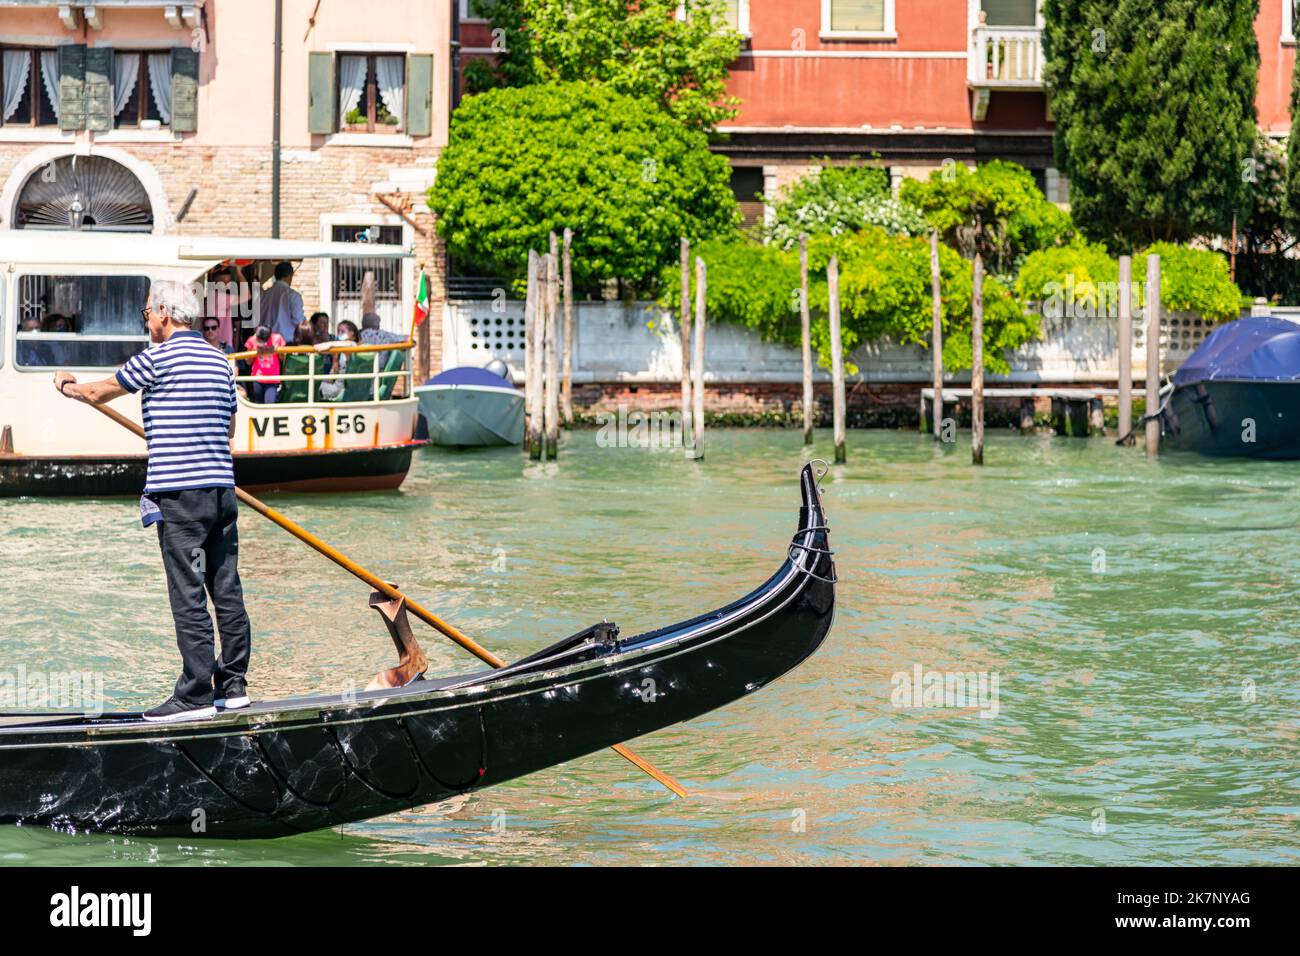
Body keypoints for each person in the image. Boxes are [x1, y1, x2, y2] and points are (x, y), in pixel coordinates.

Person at [52, 280, 252, 723]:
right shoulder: (220, 361)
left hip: (180, 496)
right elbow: (231, 431)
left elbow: (97, 392)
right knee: (225, 589)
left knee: (187, 593)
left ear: (165, 312)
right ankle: (233, 684)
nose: (146, 321)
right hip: (221, 491)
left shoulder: (157, 358)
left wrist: (66, 385)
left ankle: (196, 694)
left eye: (147, 314)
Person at [259, 261, 306, 345]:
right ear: (290, 276)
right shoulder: (293, 295)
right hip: (286, 343)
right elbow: (298, 320)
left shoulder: (263, 295)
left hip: (265, 342)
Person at [245, 324, 285, 404]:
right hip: (257, 378)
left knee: (269, 403)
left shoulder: (277, 339)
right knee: (259, 404)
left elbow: (283, 359)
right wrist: (253, 352)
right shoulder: (251, 340)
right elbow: (248, 362)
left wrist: (279, 350)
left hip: (272, 378)